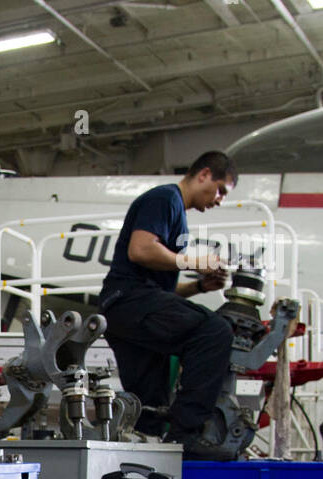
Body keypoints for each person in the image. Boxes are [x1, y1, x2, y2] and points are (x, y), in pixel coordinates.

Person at [98, 151, 237, 457]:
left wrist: (200, 287)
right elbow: (140, 250)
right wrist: (194, 261)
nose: (219, 200)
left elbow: (160, 294)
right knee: (215, 332)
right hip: (130, 301)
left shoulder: (175, 210)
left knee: (148, 411)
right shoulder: (166, 199)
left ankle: (144, 467)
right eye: (221, 190)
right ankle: (186, 435)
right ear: (203, 175)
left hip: (126, 308)